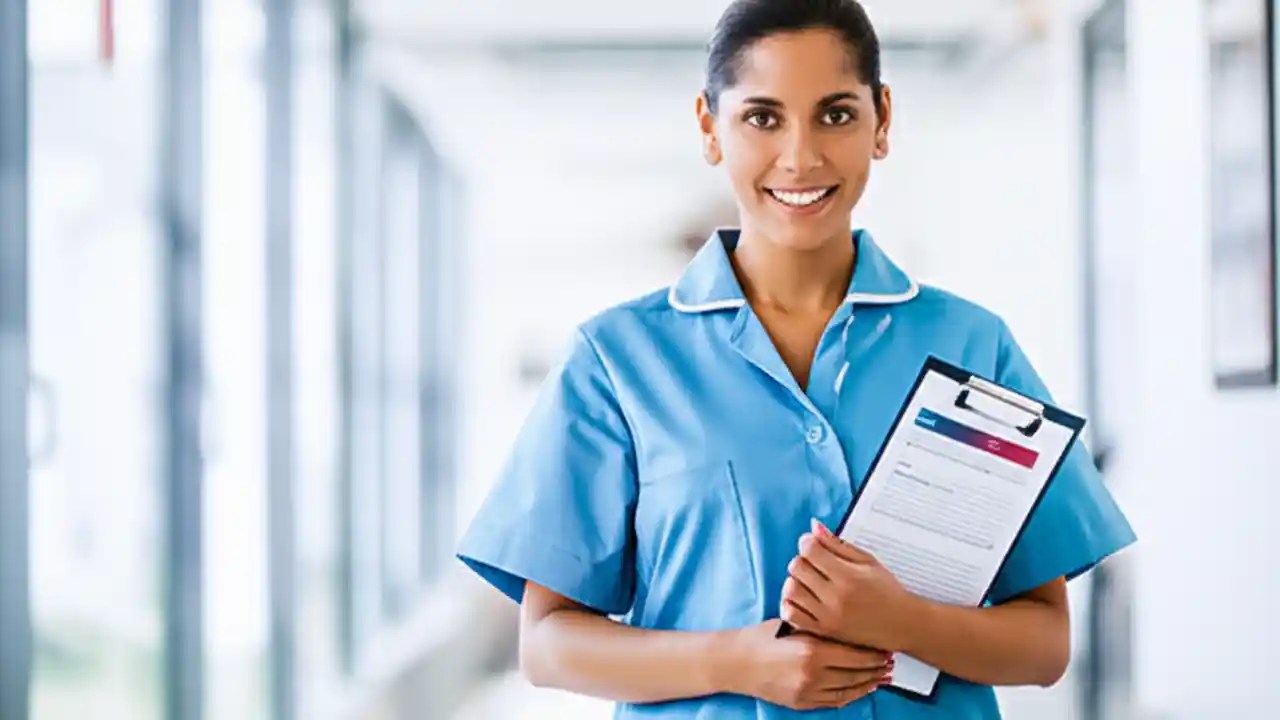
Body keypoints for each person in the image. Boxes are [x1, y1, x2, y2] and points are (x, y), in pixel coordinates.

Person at [455, 0, 1136, 717]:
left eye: (836, 114)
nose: (801, 156)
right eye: (763, 117)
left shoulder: (974, 346)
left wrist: (902, 621)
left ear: (882, 120)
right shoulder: (618, 361)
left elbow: (1044, 645)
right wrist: (735, 661)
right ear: (710, 127)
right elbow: (549, 645)